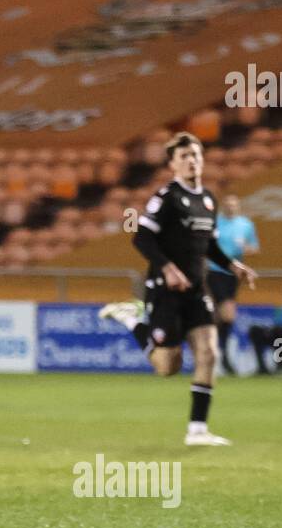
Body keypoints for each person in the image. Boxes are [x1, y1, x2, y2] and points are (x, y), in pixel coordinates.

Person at [99, 132, 257, 446]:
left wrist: (233, 265)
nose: (191, 161)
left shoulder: (208, 199)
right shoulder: (166, 197)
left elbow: (208, 244)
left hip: (196, 290)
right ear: (172, 164)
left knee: (208, 352)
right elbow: (141, 238)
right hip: (164, 290)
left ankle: (197, 430)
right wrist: (168, 269)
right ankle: (131, 319)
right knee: (166, 366)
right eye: (184, 157)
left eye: (195, 155)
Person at [208, 193, 258, 373]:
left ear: (238, 207)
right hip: (214, 271)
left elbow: (254, 247)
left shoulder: (246, 225)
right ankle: (224, 355)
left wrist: (246, 248)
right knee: (228, 314)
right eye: (228, 204)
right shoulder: (216, 223)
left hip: (233, 273)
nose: (231, 207)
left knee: (218, 316)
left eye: (234, 204)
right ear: (223, 206)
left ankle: (214, 351)